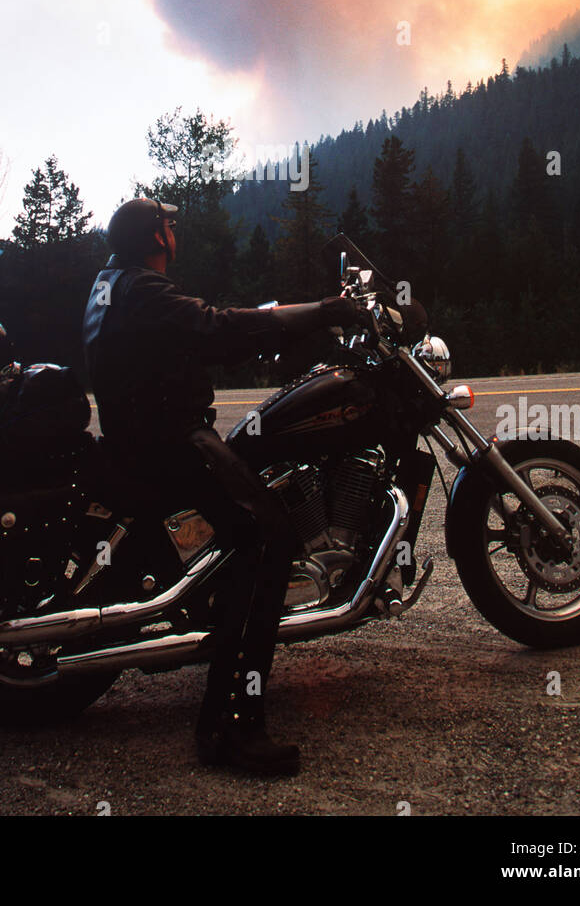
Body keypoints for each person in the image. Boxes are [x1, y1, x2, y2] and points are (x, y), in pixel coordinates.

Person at [82, 198, 367, 776]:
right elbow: (215, 326)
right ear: (155, 237)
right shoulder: (141, 288)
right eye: (168, 224)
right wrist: (322, 312)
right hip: (168, 439)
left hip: (142, 435)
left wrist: (278, 325)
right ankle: (230, 724)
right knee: (267, 538)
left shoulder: (113, 284)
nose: (174, 230)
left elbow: (205, 333)